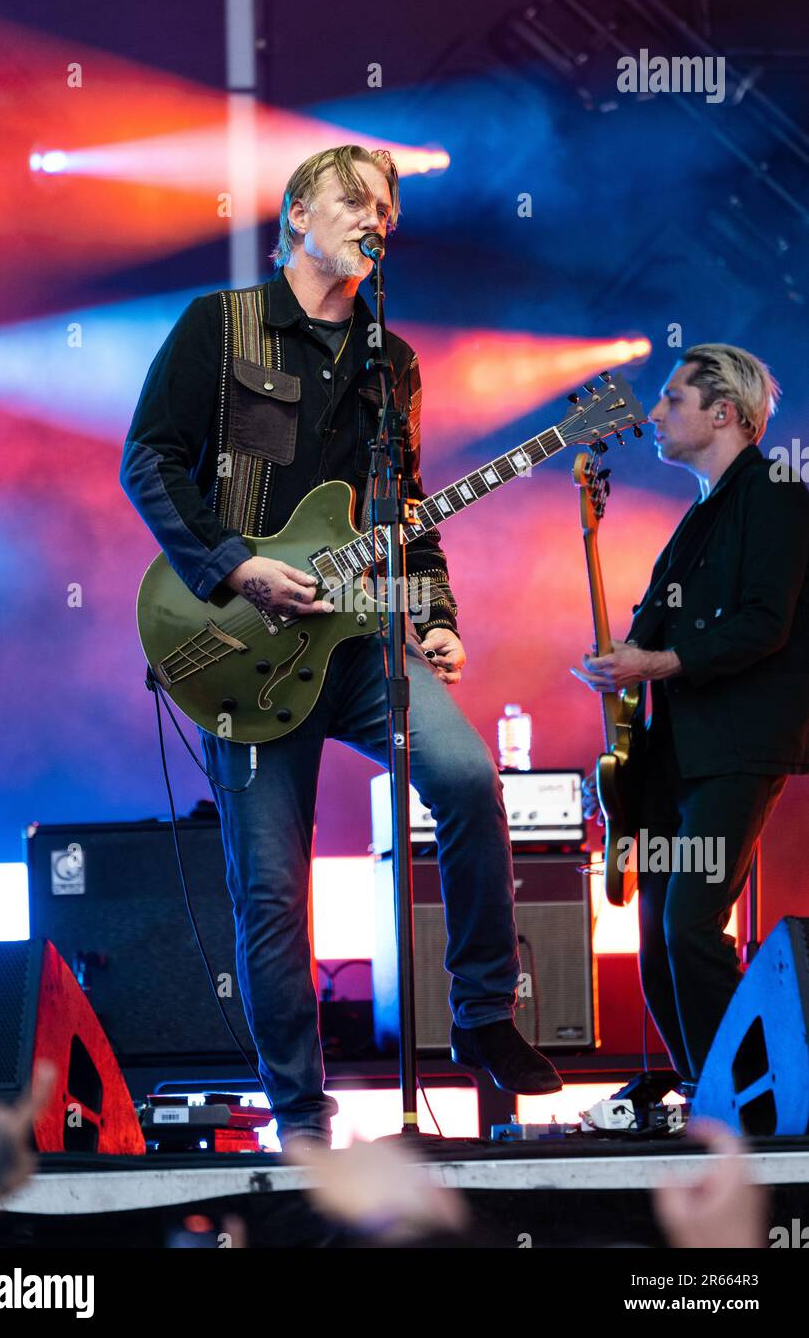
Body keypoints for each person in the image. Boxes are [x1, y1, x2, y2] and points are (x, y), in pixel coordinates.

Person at [121, 144, 561, 1150]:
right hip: (242, 641)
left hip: (361, 640)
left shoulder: (388, 360)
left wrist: (437, 611)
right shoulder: (220, 326)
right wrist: (235, 566)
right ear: (295, 215)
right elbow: (146, 462)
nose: (376, 213)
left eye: (386, 203)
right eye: (353, 196)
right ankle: (302, 1122)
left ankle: (482, 1012)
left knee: (463, 777)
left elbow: (403, 509)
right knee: (273, 892)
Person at [573, 344, 809, 1093]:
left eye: (673, 399)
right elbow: (661, 629)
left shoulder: (776, 490)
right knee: (654, 944)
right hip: (674, 753)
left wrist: (657, 664)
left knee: (690, 927)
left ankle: (751, 1104)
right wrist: (626, 658)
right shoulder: (700, 515)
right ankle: (708, 1091)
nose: (654, 414)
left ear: (723, 413)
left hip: (735, 746)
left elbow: (762, 624)